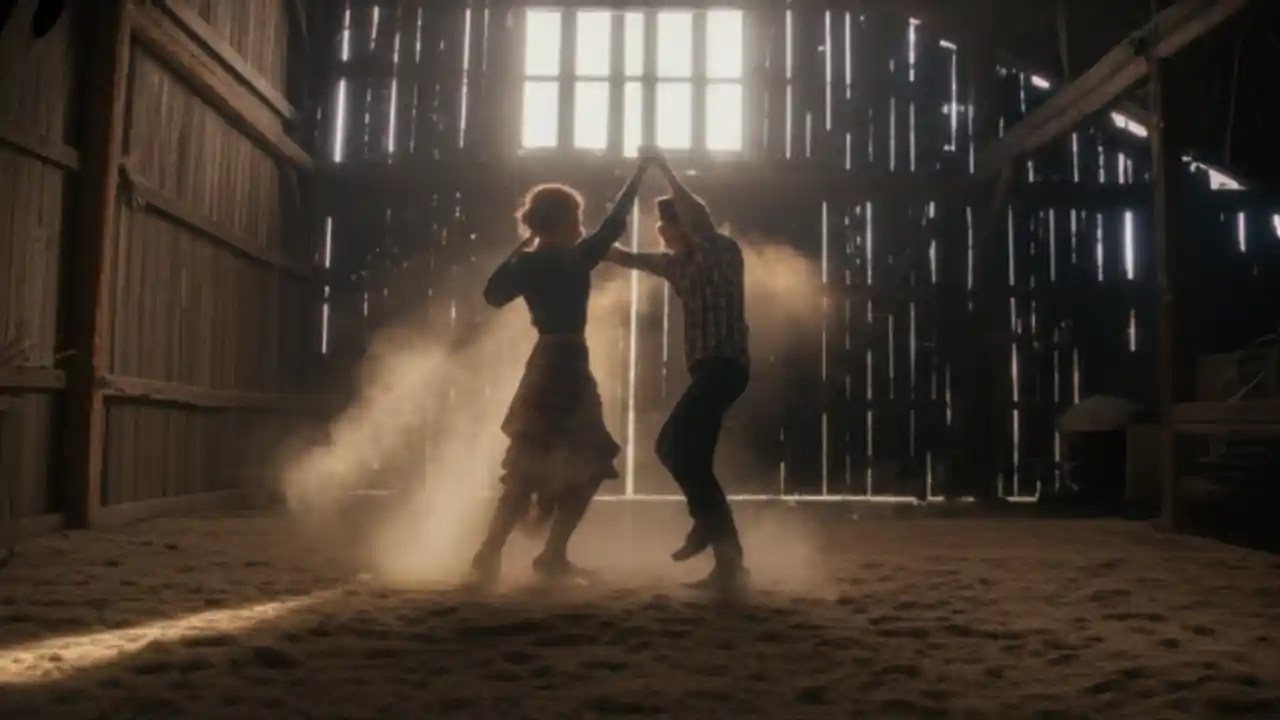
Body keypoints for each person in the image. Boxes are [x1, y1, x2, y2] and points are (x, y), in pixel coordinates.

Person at [469, 161, 649, 588]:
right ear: (567, 221)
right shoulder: (572, 259)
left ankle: (491, 552)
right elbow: (615, 224)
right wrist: (641, 170)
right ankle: (550, 554)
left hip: (545, 362)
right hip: (568, 364)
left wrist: (521, 247)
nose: (581, 226)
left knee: (526, 465)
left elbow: (493, 295)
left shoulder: (532, 263)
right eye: (576, 219)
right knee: (588, 462)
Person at [605, 151, 751, 593]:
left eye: (665, 226)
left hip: (723, 368)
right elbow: (625, 258)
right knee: (688, 455)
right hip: (713, 371)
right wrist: (590, 245)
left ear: (683, 226)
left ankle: (710, 531)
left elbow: (696, 213)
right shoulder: (678, 265)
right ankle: (724, 555)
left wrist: (664, 170)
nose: (661, 234)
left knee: (671, 445)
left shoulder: (719, 252)